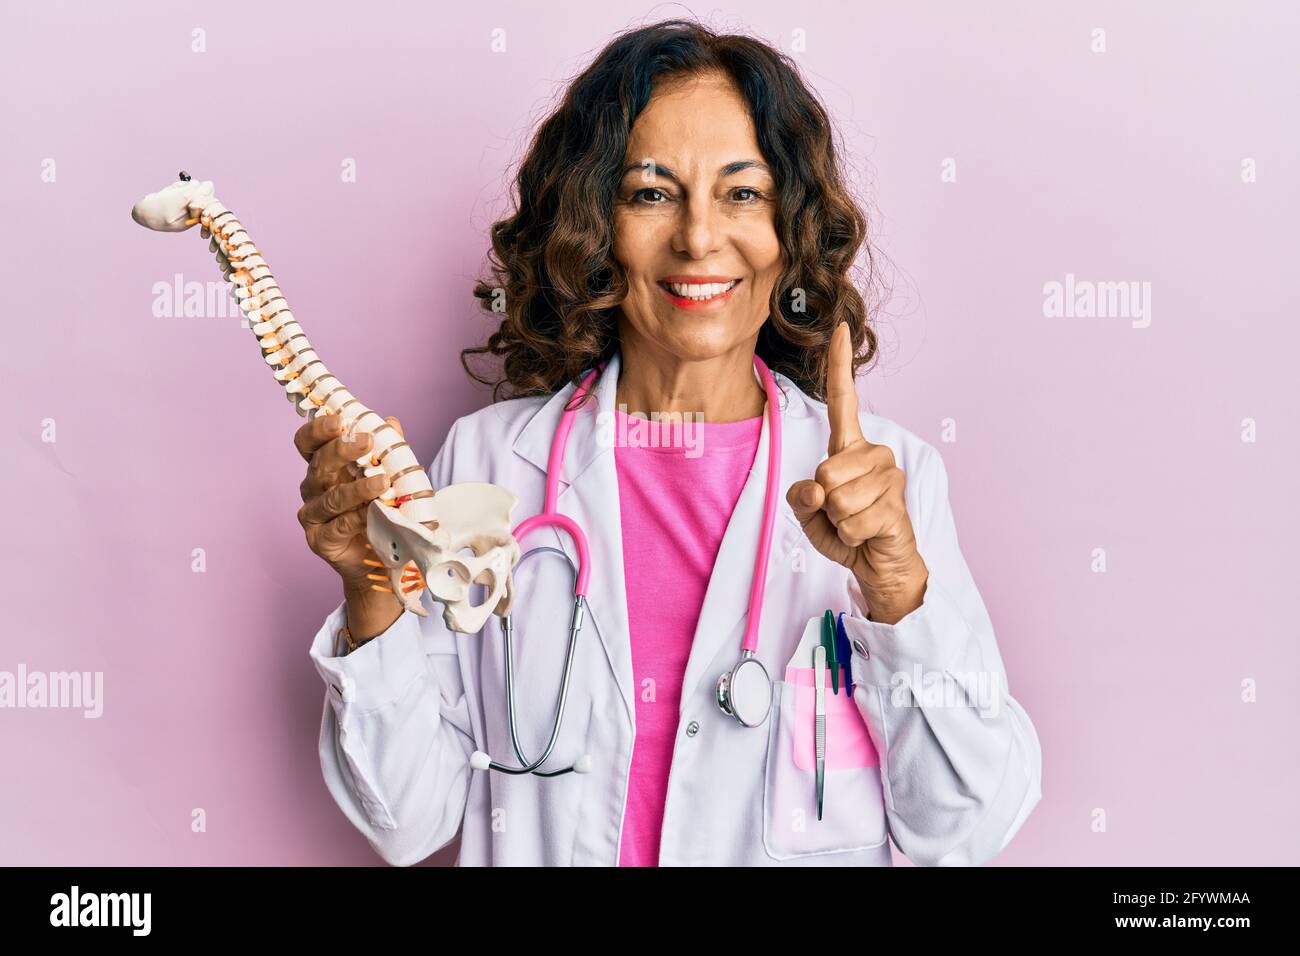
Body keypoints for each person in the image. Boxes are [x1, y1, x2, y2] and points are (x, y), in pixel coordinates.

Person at [296, 19, 1041, 867]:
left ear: (789, 231)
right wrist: (372, 597)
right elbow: (407, 820)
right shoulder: (490, 465)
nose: (697, 238)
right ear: (593, 226)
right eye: (651, 193)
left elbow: (966, 826)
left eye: (742, 193)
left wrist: (901, 595)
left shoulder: (886, 483)